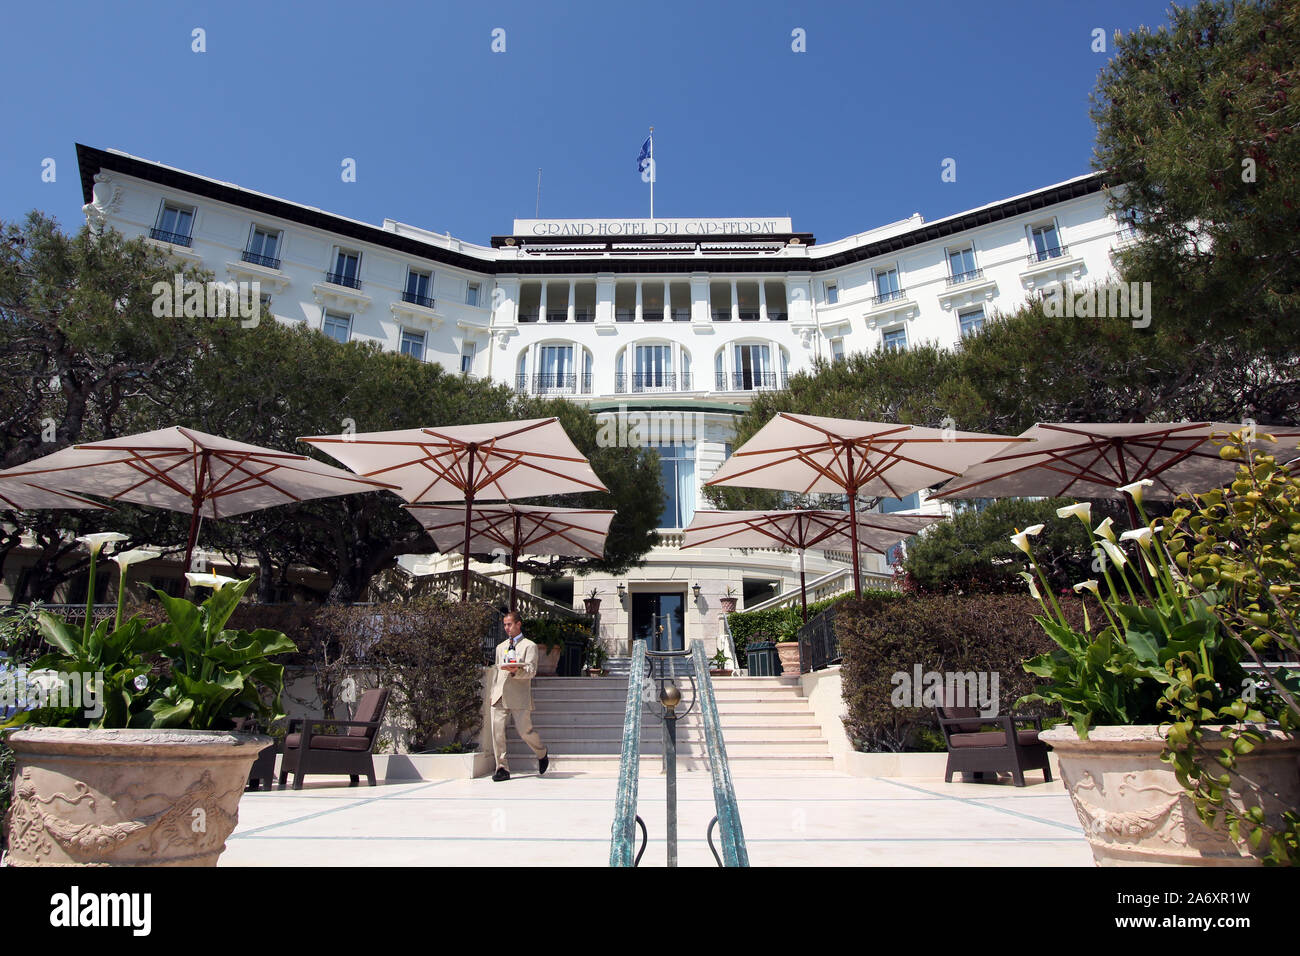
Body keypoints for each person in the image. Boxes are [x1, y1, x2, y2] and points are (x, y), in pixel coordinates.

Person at [490, 611, 549, 782]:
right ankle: (501, 767)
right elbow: (496, 671)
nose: (506, 628)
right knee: (497, 732)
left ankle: (541, 752)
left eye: (509, 624)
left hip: (519, 695)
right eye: (505, 625)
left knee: (525, 732)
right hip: (499, 695)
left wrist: (517, 671)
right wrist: (493, 692)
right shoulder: (500, 647)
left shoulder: (529, 646)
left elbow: (531, 671)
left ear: (518, 624)